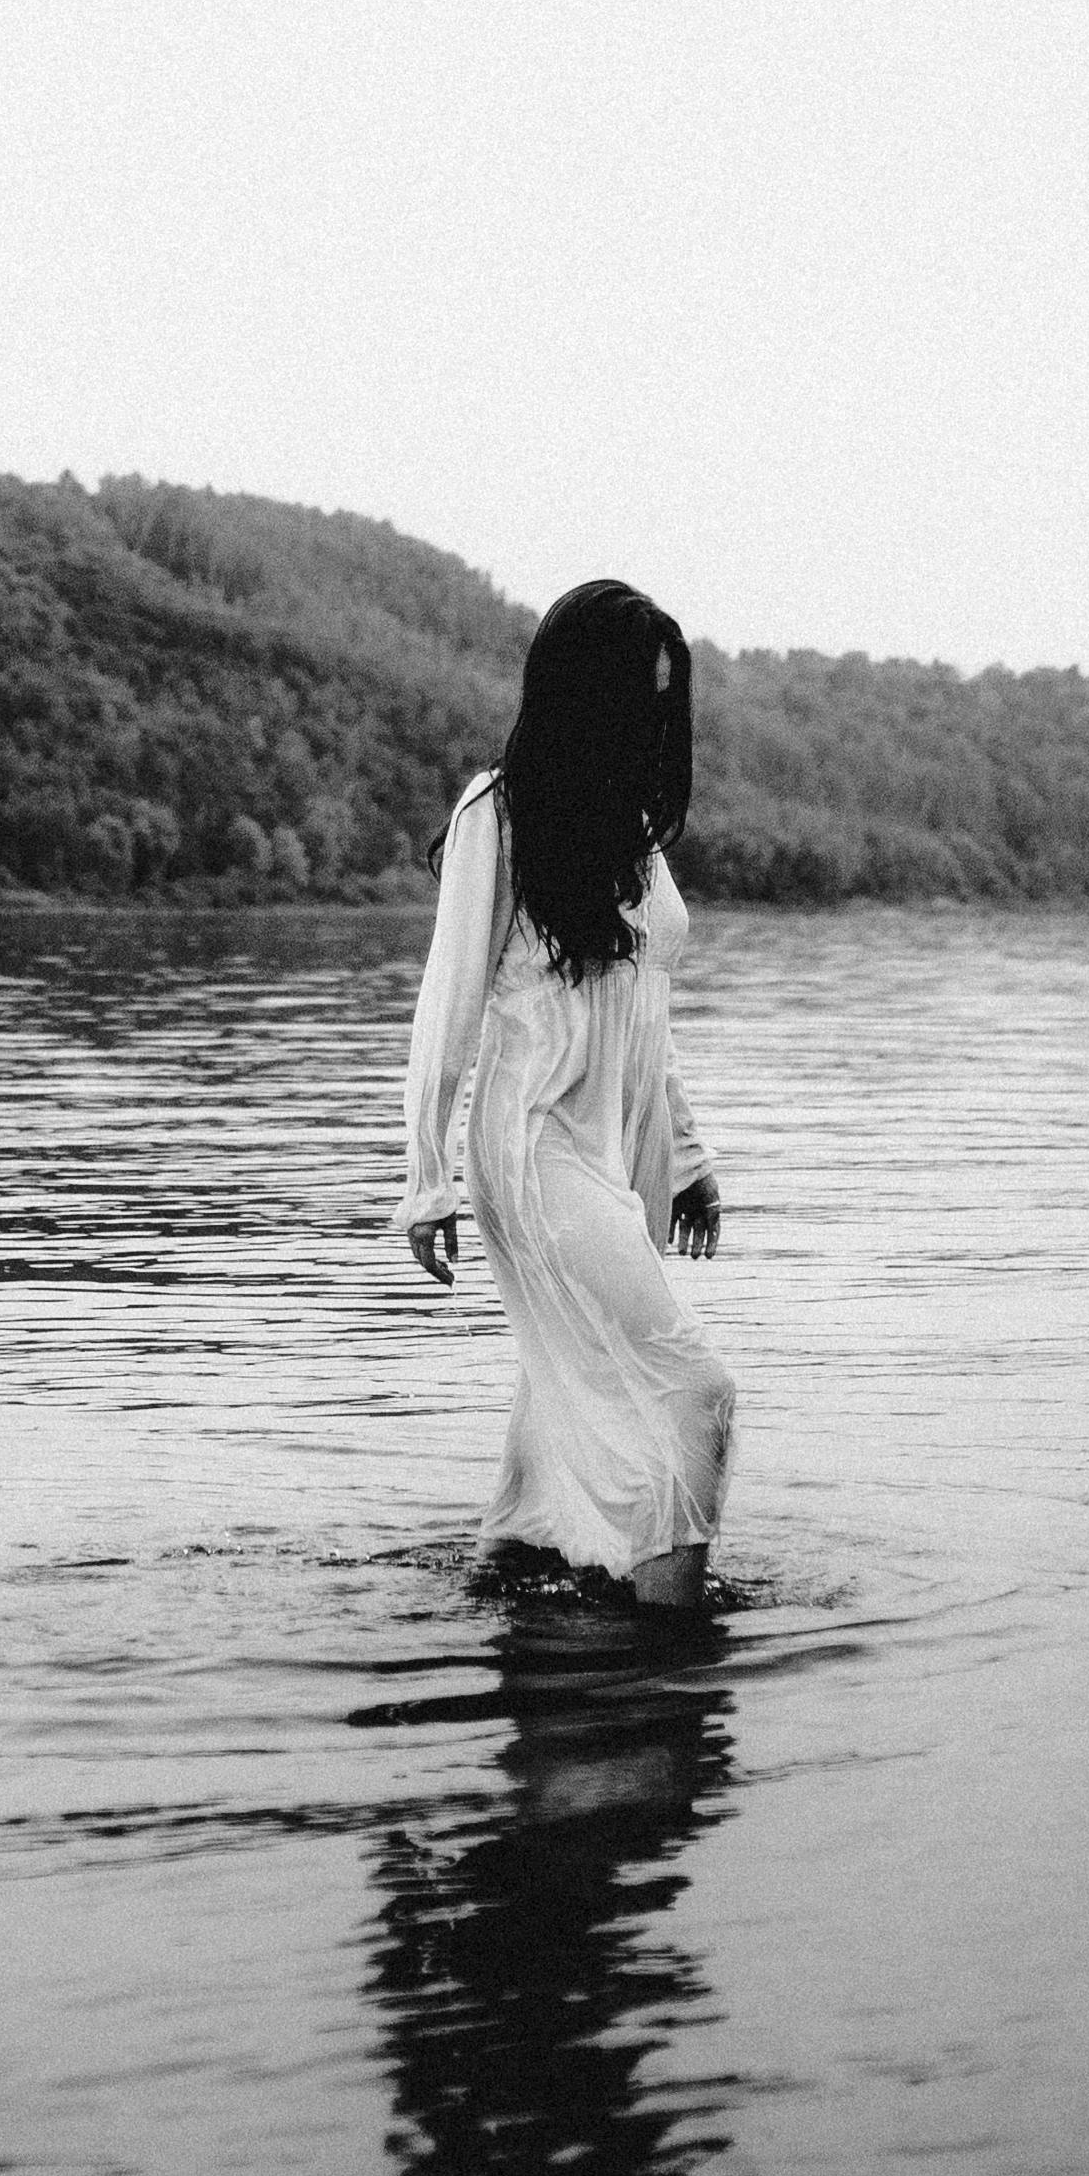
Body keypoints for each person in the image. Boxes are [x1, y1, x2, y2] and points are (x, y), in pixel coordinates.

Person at [402, 579, 733, 1607]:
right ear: (587, 696)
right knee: (692, 1392)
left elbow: (644, 1007)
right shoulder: (495, 813)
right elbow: (446, 1004)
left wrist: (683, 1159)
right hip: (532, 1148)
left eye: (666, 703)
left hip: (607, 1151)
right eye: (640, 698)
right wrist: (425, 1180)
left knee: (556, 1408)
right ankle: (668, 1657)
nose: (655, 723)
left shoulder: (626, 831)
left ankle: (507, 1595)